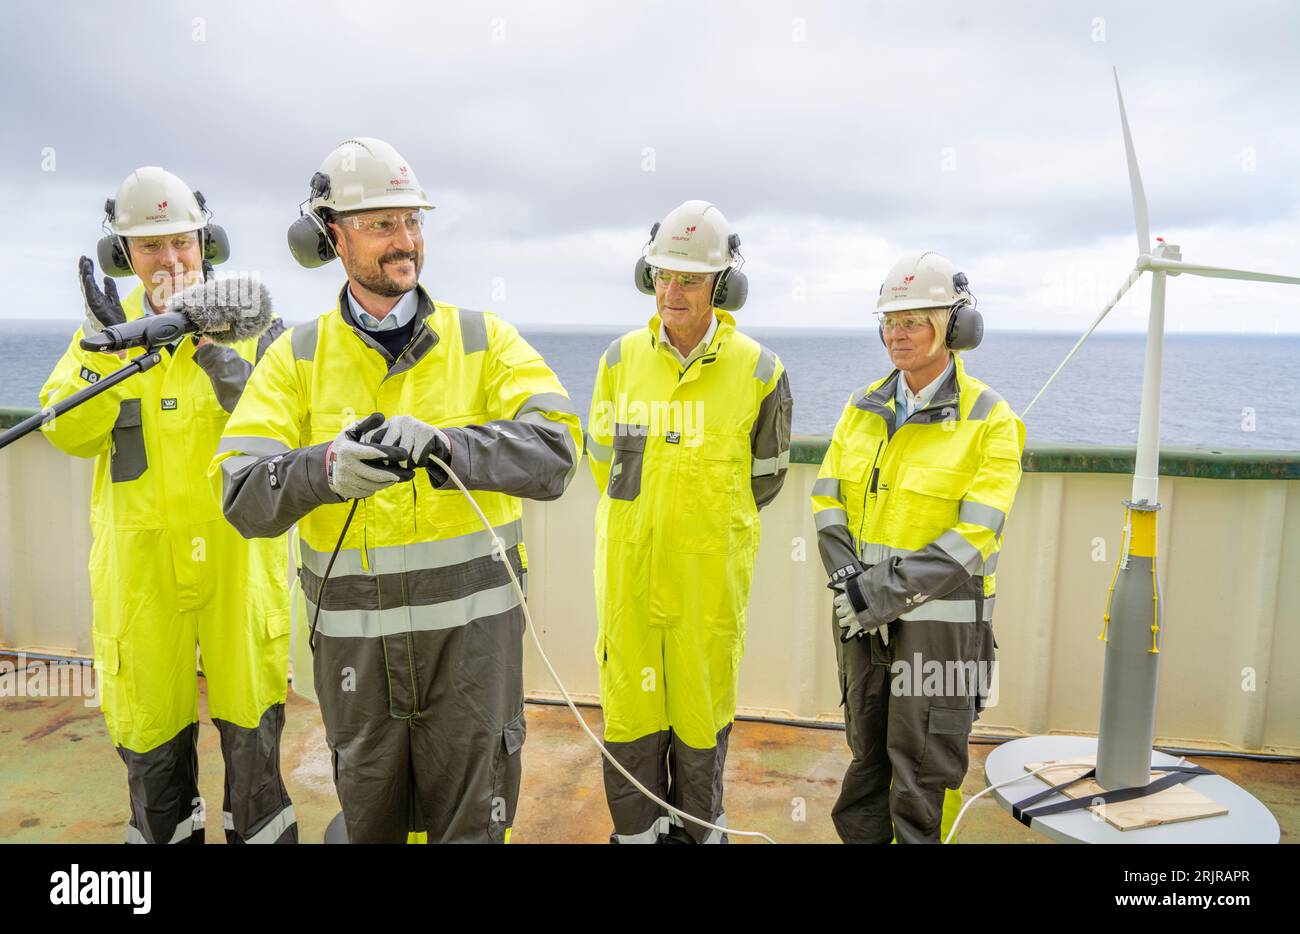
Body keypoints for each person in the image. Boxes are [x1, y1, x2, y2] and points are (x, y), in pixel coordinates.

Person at [214, 137, 581, 843]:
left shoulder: (486, 338)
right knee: (370, 827)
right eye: (381, 224)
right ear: (331, 235)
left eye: (412, 222)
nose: (404, 241)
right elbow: (239, 496)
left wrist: (451, 446)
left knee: (472, 828)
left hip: (472, 657)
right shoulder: (294, 357)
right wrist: (322, 471)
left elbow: (558, 454)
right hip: (358, 667)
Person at [39, 167, 293, 844]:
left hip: (240, 562)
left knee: (253, 734)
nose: (170, 260)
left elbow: (296, 432)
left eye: (182, 242)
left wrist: (227, 365)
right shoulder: (104, 334)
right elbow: (69, 430)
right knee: (150, 735)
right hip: (141, 574)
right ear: (124, 256)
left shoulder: (256, 323)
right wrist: (100, 347)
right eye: (150, 247)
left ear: (206, 244)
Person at [586, 200, 792, 843]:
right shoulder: (619, 361)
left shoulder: (760, 370)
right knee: (630, 711)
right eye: (662, 275)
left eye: (691, 279)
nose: (672, 292)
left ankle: (699, 832)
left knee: (701, 717)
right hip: (630, 581)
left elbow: (767, 478)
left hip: (708, 588)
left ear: (722, 287)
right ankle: (638, 835)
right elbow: (601, 466)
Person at [811, 251, 1025, 844]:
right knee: (866, 763)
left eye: (914, 321)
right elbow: (827, 499)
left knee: (922, 774)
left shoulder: (990, 420)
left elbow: (975, 537)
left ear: (954, 330)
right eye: (889, 321)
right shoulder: (861, 408)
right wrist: (849, 580)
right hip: (861, 620)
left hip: (939, 629)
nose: (896, 335)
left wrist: (872, 593)